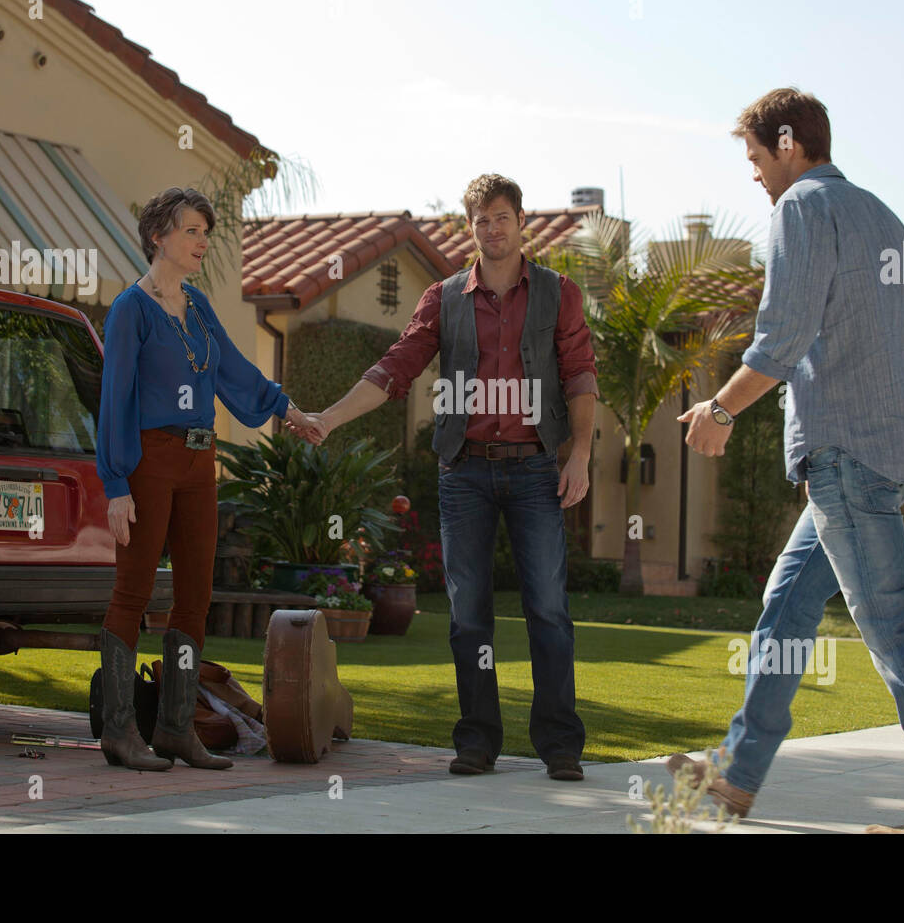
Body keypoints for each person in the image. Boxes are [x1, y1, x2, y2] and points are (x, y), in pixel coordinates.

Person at [667, 89, 904, 833]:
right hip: (879, 451)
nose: (753, 175)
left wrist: (719, 409)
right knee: (785, 611)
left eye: (754, 158)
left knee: (893, 628)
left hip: (842, 455)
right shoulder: (886, 218)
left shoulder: (802, 210)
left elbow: (784, 335)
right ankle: (735, 778)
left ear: (787, 143)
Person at [306, 174, 598, 780]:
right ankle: (477, 741)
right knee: (469, 614)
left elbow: (580, 378)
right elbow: (397, 367)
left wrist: (580, 454)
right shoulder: (442, 298)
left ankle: (560, 745)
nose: (491, 229)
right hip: (462, 472)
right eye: (480, 220)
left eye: (501, 217)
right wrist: (328, 418)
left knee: (548, 608)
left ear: (521, 223)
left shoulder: (557, 294)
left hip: (536, 468)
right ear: (471, 228)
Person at [95, 186, 322, 771]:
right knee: (133, 593)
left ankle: (175, 728)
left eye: (204, 232)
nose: (201, 242)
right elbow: (114, 399)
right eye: (191, 231)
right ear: (158, 237)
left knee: (196, 597)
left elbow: (236, 372)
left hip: (201, 462)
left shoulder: (196, 307)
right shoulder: (130, 309)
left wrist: (287, 410)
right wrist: (115, 485)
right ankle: (120, 733)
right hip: (148, 460)